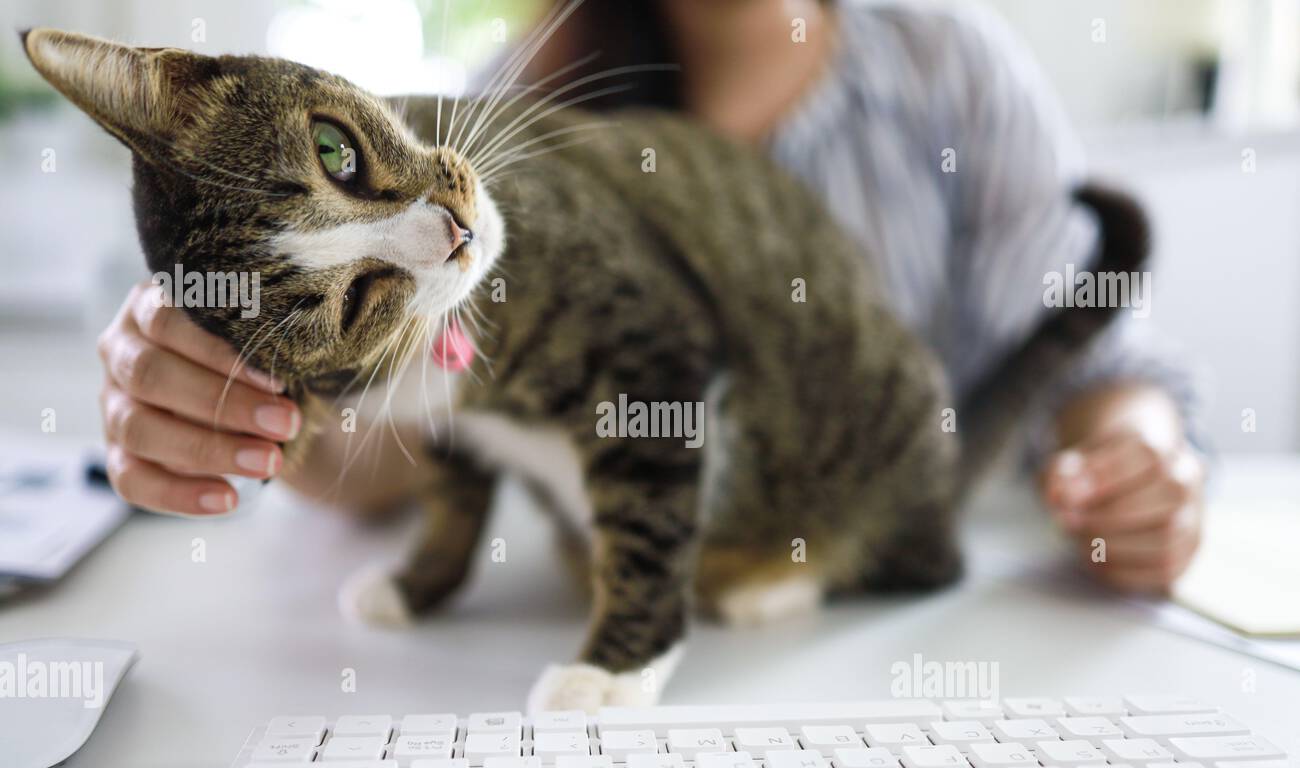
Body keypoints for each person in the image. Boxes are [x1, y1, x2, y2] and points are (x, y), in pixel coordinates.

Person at [94, 0, 1204, 593]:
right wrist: (246, 393)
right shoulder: (501, 106)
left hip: (907, 588)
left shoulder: (949, 62)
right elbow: (417, 422)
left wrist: (1135, 463)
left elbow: (1104, 373)